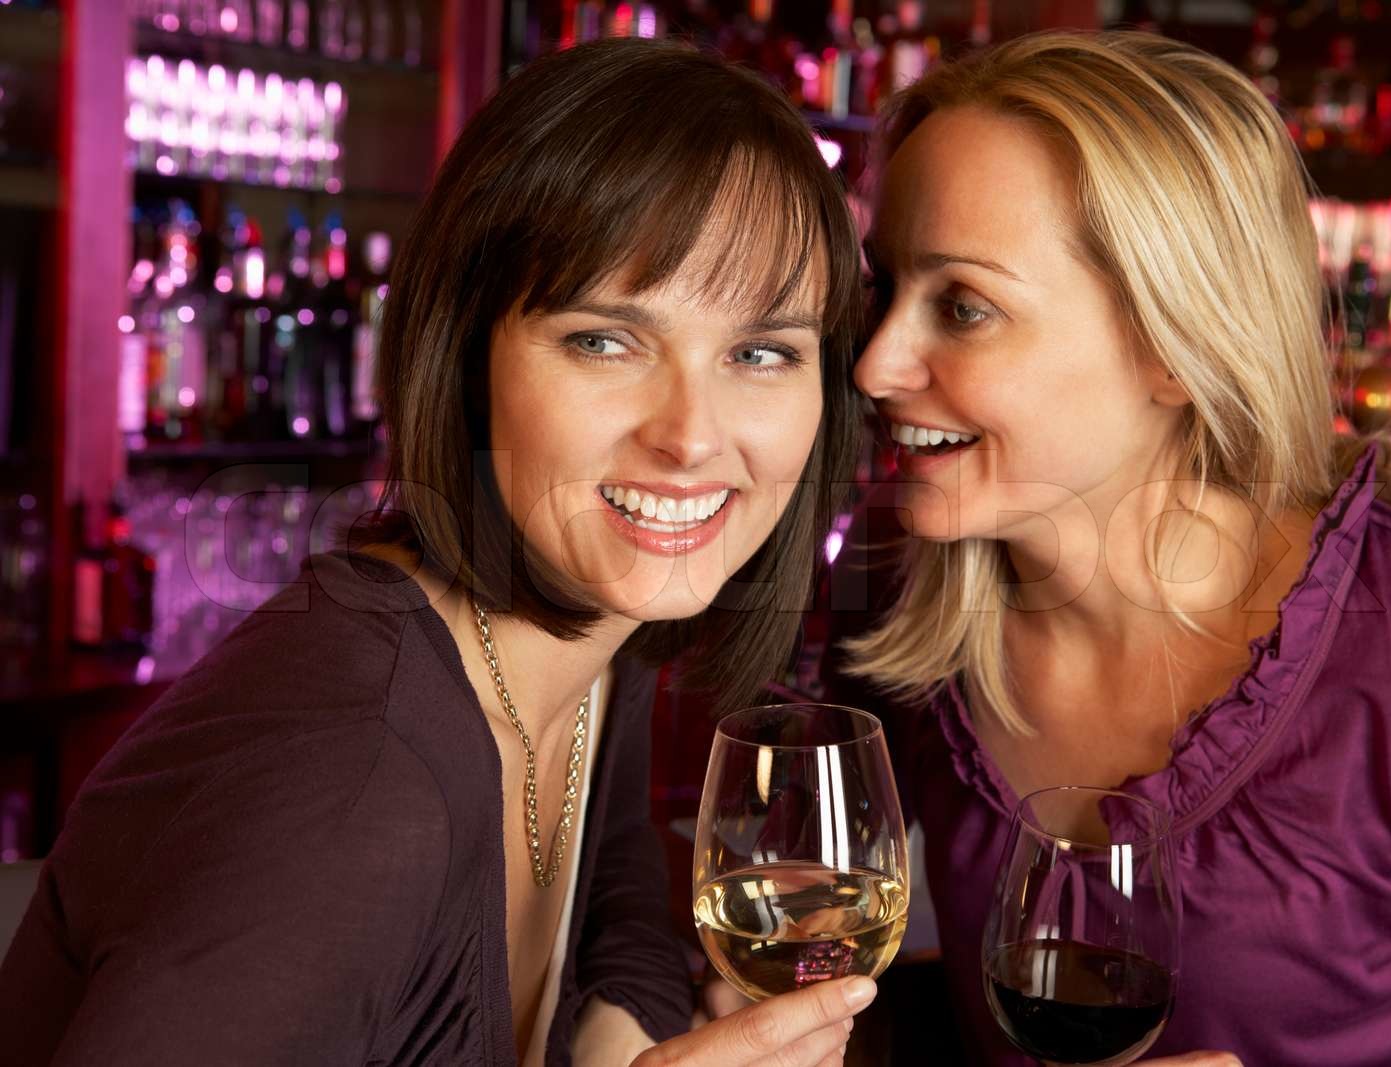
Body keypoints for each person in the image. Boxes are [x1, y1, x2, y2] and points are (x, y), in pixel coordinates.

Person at [0, 39, 875, 1067]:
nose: (688, 434)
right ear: (466, 355)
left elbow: (622, 912)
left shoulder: (600, 642)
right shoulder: (354, 783)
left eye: (760, 351)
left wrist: (617, 1046)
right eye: (604, 339)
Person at [806, 30, 1391, 1066]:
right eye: (886, 286)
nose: (874, 364)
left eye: (963, 306)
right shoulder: (899, 586)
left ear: (1173, 348)